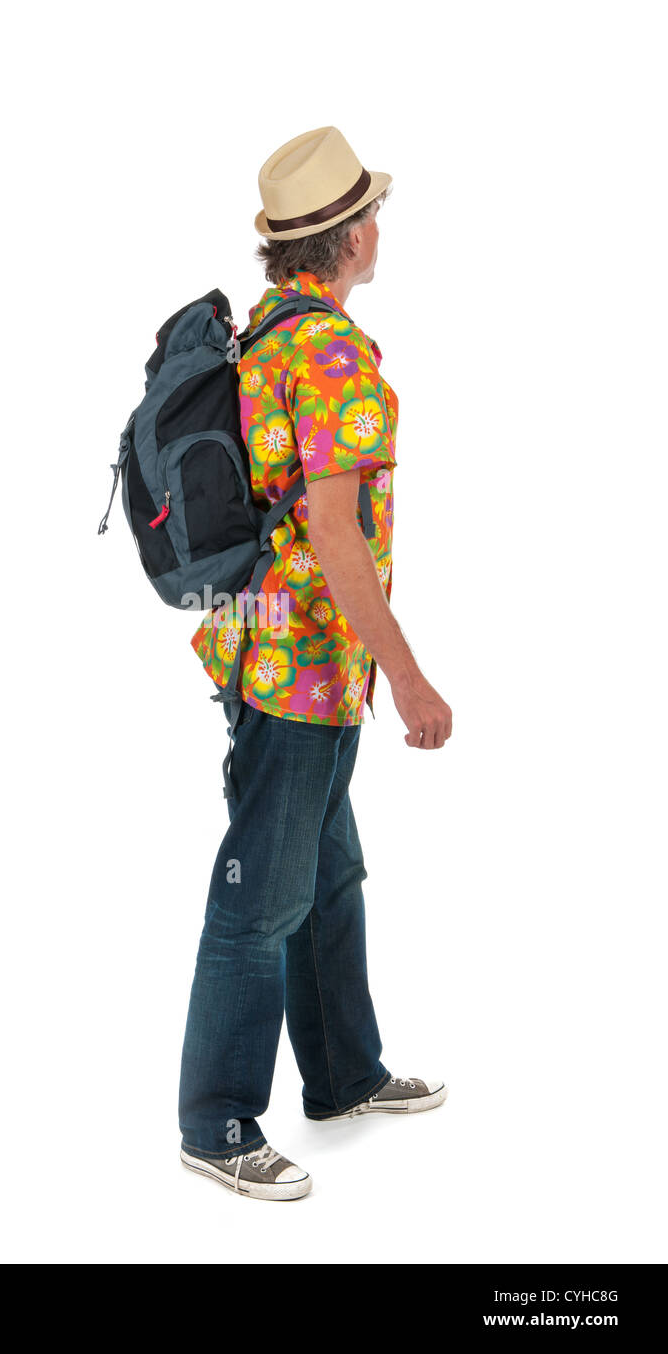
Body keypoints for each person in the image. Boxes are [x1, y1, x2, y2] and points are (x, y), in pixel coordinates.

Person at [178, 126, 453, 1201]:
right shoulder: (329, 352)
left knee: (326, 873)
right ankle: (216, 1121)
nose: (380, 227)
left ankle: (341, 1073)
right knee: (256, 898)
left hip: (276, 651)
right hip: (300, 670)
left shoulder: (267, 332)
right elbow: (335, 534)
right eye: (371, 213)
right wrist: (414, 678)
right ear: (342, 239)